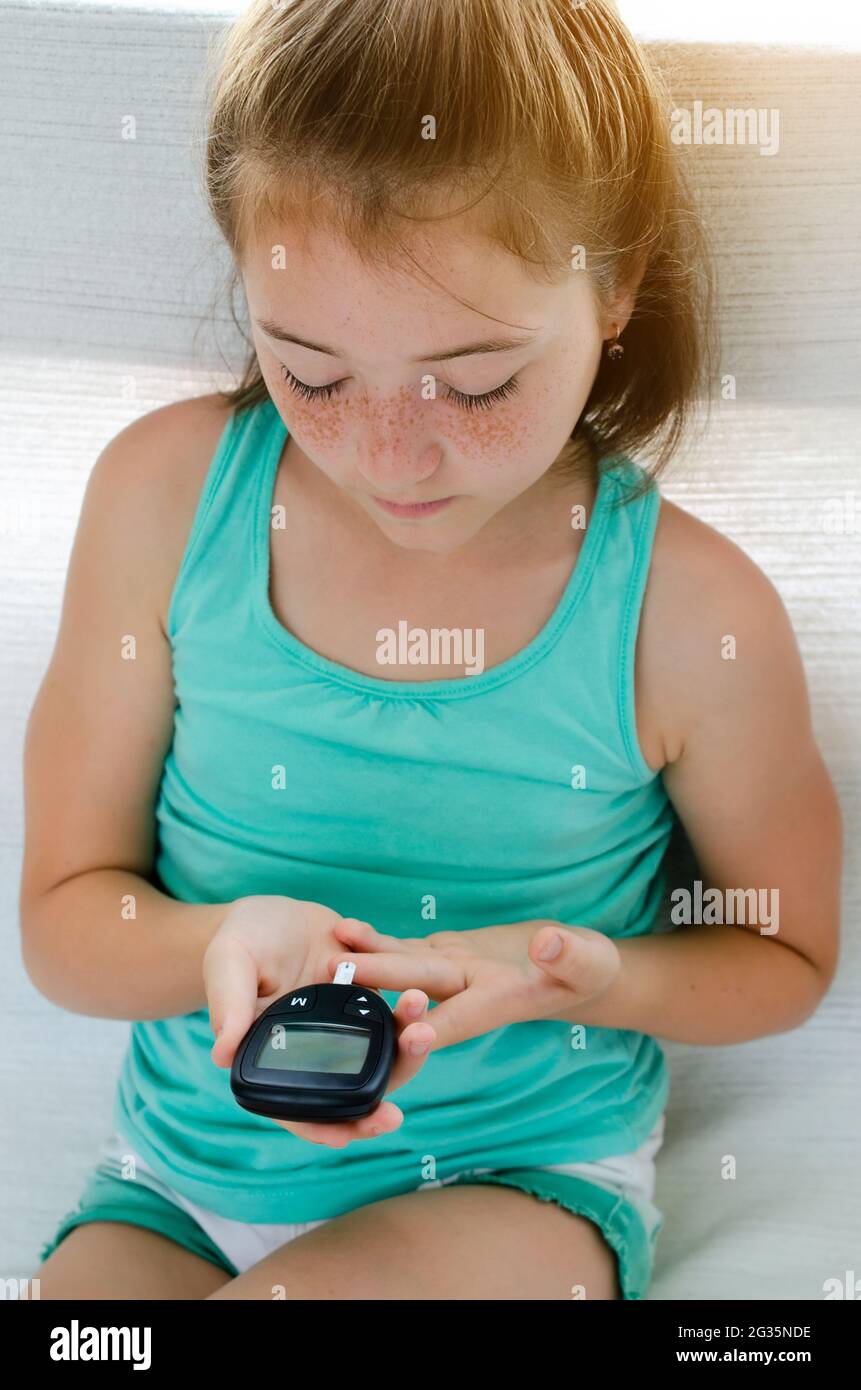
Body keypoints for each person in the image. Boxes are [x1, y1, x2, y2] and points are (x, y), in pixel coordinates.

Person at [24, 0, 841, 1300]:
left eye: (472, 384)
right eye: (307, 368)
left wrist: (579, 971)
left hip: (513, 1185)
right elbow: (68, 914)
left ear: (614, 284)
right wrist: (223, 939)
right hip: (173, 1181)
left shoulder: (691, 612)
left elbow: (783, 958)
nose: (386, 457)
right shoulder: (162, 503)